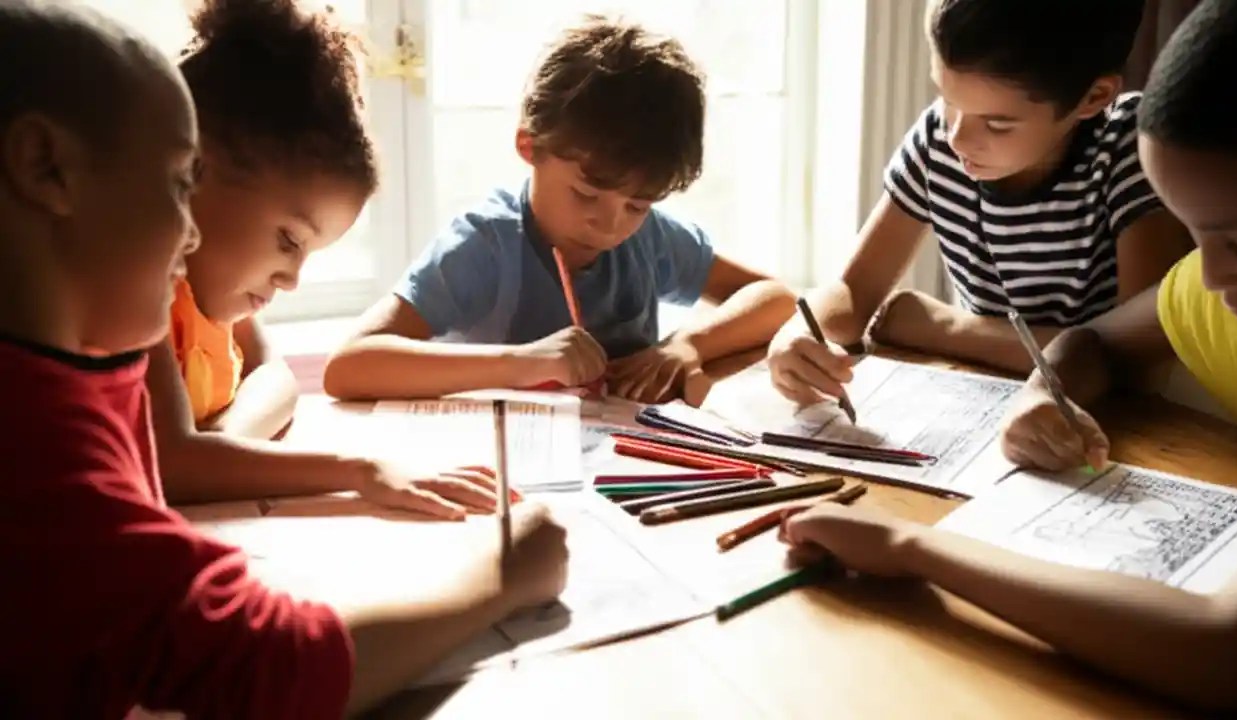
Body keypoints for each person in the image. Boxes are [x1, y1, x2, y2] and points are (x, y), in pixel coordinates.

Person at [0, 3, 568, 716]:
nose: (190, 231)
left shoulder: (83, 372)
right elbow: (270, 672)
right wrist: (503, 579)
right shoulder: (31, 447)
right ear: (45, 167)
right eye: (179, 184)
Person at [781, 0, 1237, 710]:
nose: (1207, 272)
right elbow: (1097, 340)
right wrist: (1045, 391)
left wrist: (913, 550)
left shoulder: (1125, 173)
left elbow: (1232, 654)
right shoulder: (1212, 288)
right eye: (1196, 237)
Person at [324, 16, 796, 405]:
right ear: (529, 146)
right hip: (504, 473)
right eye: (586, 194)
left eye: (637, 204)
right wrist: (525, 363)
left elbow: (776, 299)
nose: (609, 224)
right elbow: (349, 367)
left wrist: (688, 344)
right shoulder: (484, 246)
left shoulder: (649, 237)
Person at [151, 0, 501, 519]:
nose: (291, 279)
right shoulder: (140, 288)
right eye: (289, 241)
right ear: (195, 169)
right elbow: (173, 466)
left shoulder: (213, 299)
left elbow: (278, 378)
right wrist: (358, 470)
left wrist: (225, 448)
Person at [766, 0, 1192, 407]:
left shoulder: (1127, 149)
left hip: (1105, 421)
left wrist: (948, 328)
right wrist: (801, 332)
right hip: (980, 398)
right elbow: (854, 291)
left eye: (997, 124)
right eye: (949, 101)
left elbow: (1138, 353)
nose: (958, 139)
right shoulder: (938, 139)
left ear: (1093, 98)